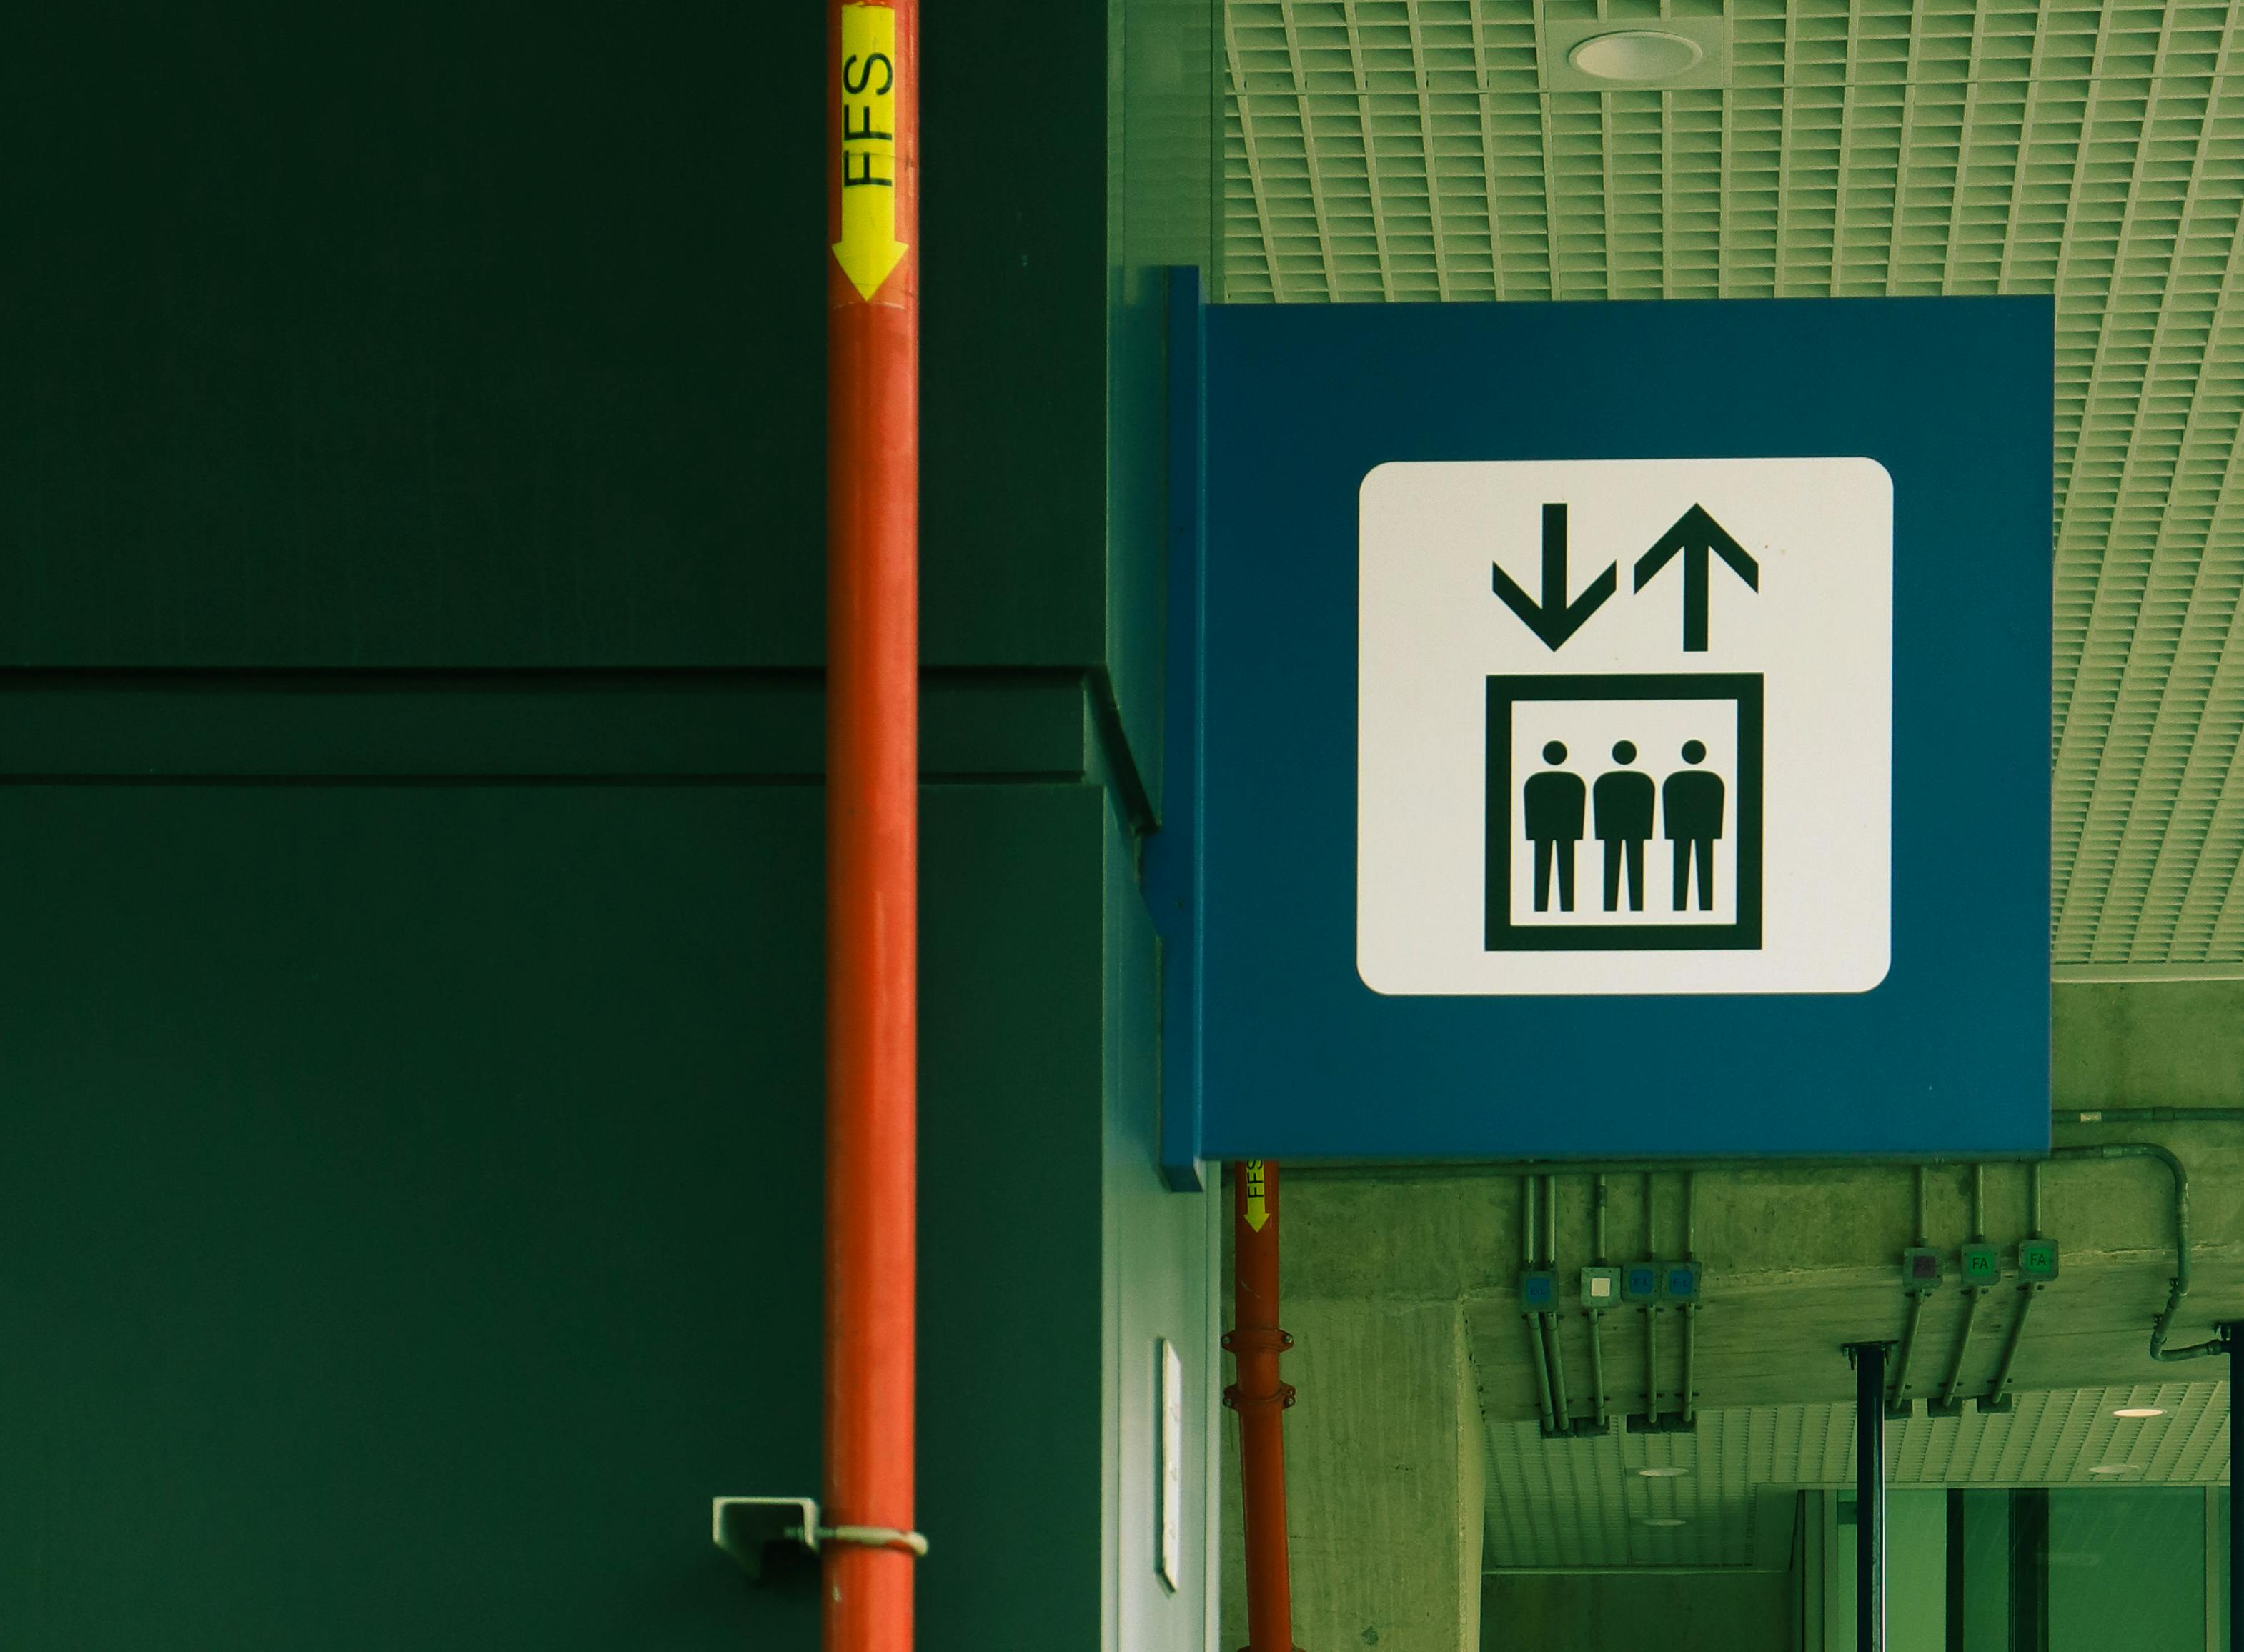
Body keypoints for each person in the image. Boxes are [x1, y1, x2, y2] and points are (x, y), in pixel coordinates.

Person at [1662, 739, 1725, 911]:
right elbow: (1717, 810)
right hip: (1706, 832)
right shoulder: (1714, 781)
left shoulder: (1673, 781)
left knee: (1680, 867)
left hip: (1680, 832)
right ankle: (1706, 905)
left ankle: (1679, 905)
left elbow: (1670, 809)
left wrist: (1670, 833)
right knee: (1706, 867)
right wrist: (1715, 832)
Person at [1521, 741, 1585, 912]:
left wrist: (1532, 834)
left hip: (1542, 833)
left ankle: (1540, 906)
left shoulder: (1534, 782)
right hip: (1567, 833)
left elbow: (1531, 810)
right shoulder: (1575, 782)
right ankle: (1568, 906)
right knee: (1567, 869)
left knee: (1541, 869)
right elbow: (1578, 809)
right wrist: (1578, 833)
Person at [1592, 740, 1655, 912]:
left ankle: (1609, 905)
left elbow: (1600, 809)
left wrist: (1600, 833)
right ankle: (1637, 906)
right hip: (1637, 833)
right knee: (1636, 869)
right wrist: (1647, 833)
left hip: (1611, 833)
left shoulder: (1603, 781)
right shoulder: (1644, 781)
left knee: (1611, 868)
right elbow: (1648, 809)